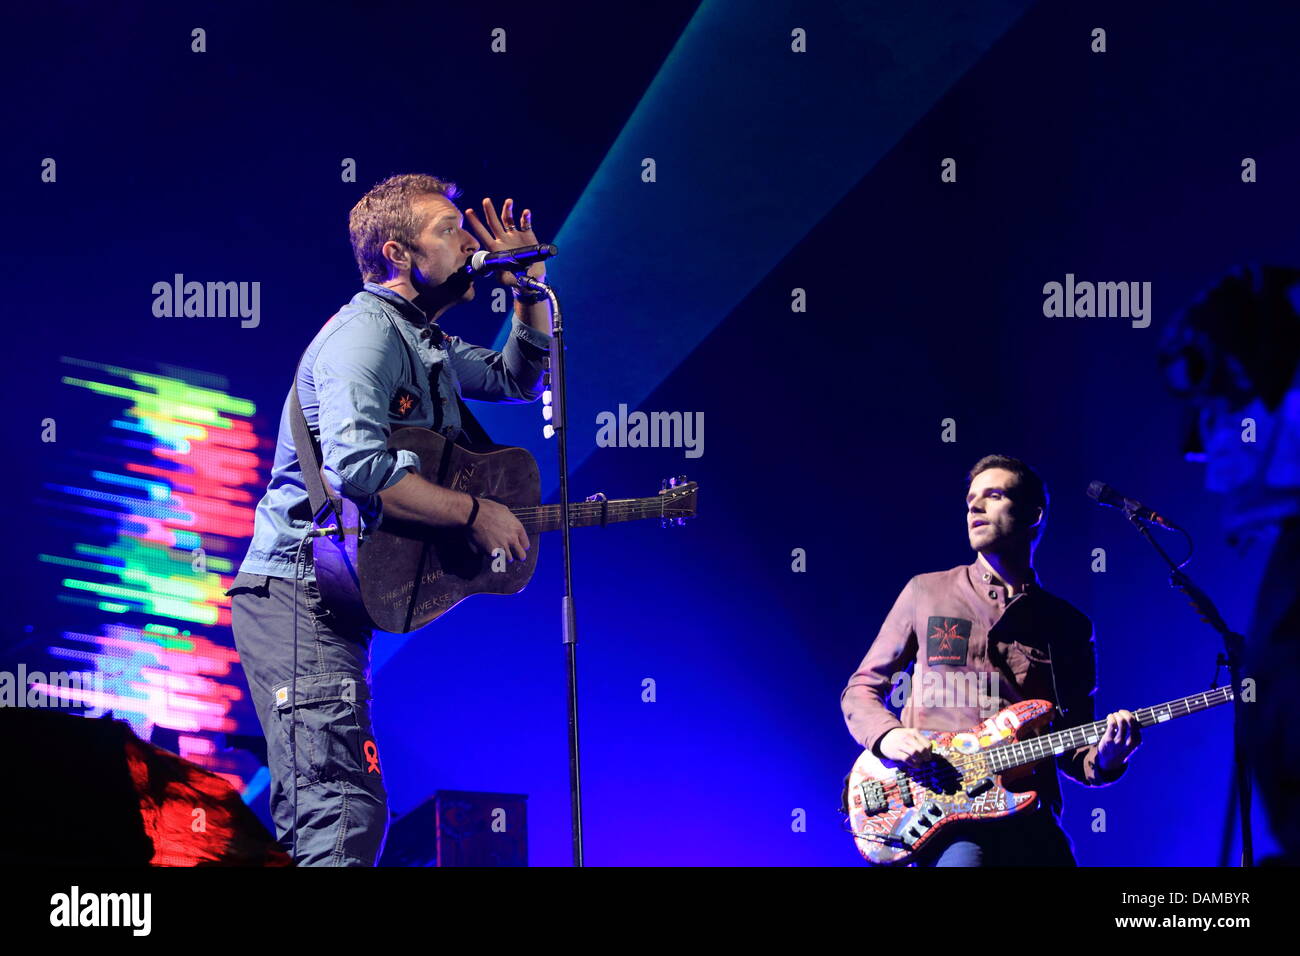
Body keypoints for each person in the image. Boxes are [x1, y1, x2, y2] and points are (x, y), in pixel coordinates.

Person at [224, 173, 554, 866]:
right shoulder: (364, 338)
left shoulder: (423, 340)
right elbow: (361, 470)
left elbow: (518, 379)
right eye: (448, 231)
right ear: (400, 255)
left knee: (331, 810)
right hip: (296, 594)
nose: (469, 242)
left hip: (338, 596)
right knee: (339, 807)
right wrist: (474, 512)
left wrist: (528, 291)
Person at [840, 454, 1141, 866]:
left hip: (1029, 813)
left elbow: (1075, 744)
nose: (975, 508)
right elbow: (861, 690)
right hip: (944, 814)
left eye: (993, 496)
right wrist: (888, 736)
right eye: (971, 500)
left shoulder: (1068, 626)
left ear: (1033, 514)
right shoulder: (926, 592)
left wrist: (1107, 757)